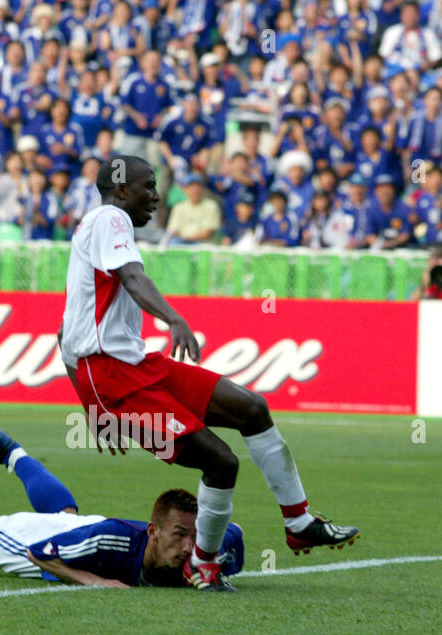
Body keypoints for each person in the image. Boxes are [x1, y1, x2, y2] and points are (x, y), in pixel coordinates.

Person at [56, 155, 360, 593]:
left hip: (136, 367)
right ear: (122, 190)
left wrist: (90, 408)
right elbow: (133, 278)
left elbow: (64, 330)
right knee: (220, 461)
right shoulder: (109, 219)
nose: (157, 196)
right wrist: (173, 320)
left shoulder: (95, 229)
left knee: (252, 409)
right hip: (112, 381)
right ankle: (203, 566)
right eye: (148, 186)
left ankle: (299, 521)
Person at [0, 419, 244, 589]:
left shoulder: (204, 546)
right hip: (58, 542)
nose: (187, 546)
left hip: (82, 534)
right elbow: (37, 551)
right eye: (179, 535)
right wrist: (94, 582)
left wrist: (213, 557)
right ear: (154, 532)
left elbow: (236, 535)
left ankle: (10, 451)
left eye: (192, 537)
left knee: (66, 518)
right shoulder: (113, 539)